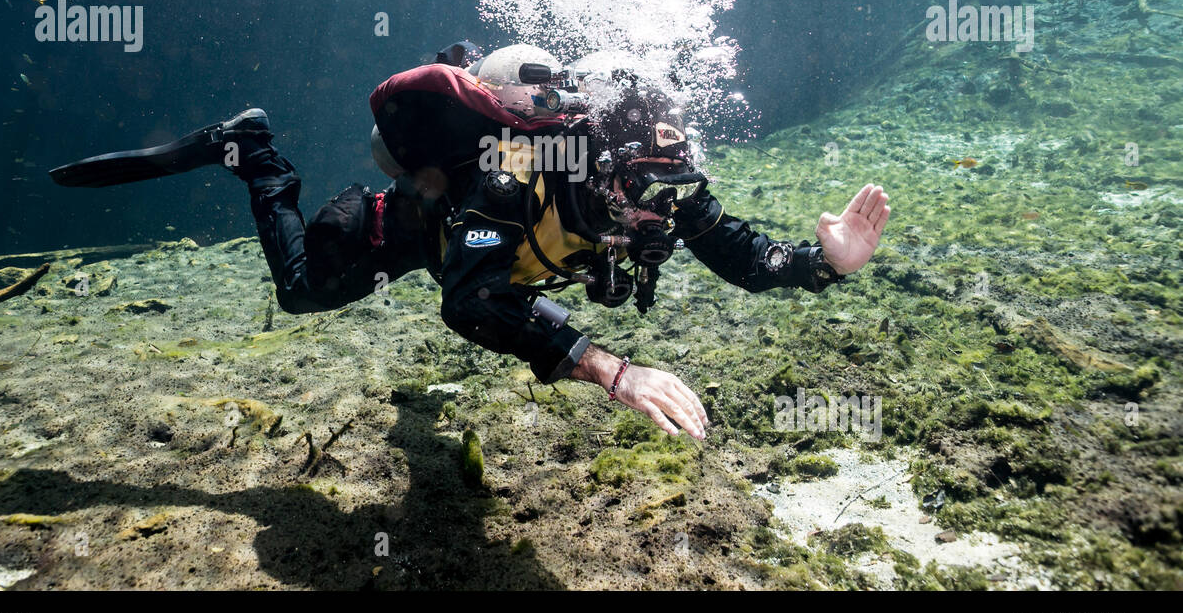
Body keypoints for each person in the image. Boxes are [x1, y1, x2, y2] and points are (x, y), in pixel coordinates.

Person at [51, 43, 891, 440]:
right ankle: (255, 152)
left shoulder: (659, 187)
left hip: (486, 259)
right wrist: (612, 368)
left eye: (674, 191)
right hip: (391, 235)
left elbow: (739, 253)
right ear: (602, 161)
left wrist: (823, 262)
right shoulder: (519, 165)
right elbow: (471, 299)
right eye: (645, 190)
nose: (659, 214)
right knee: (300, 291)